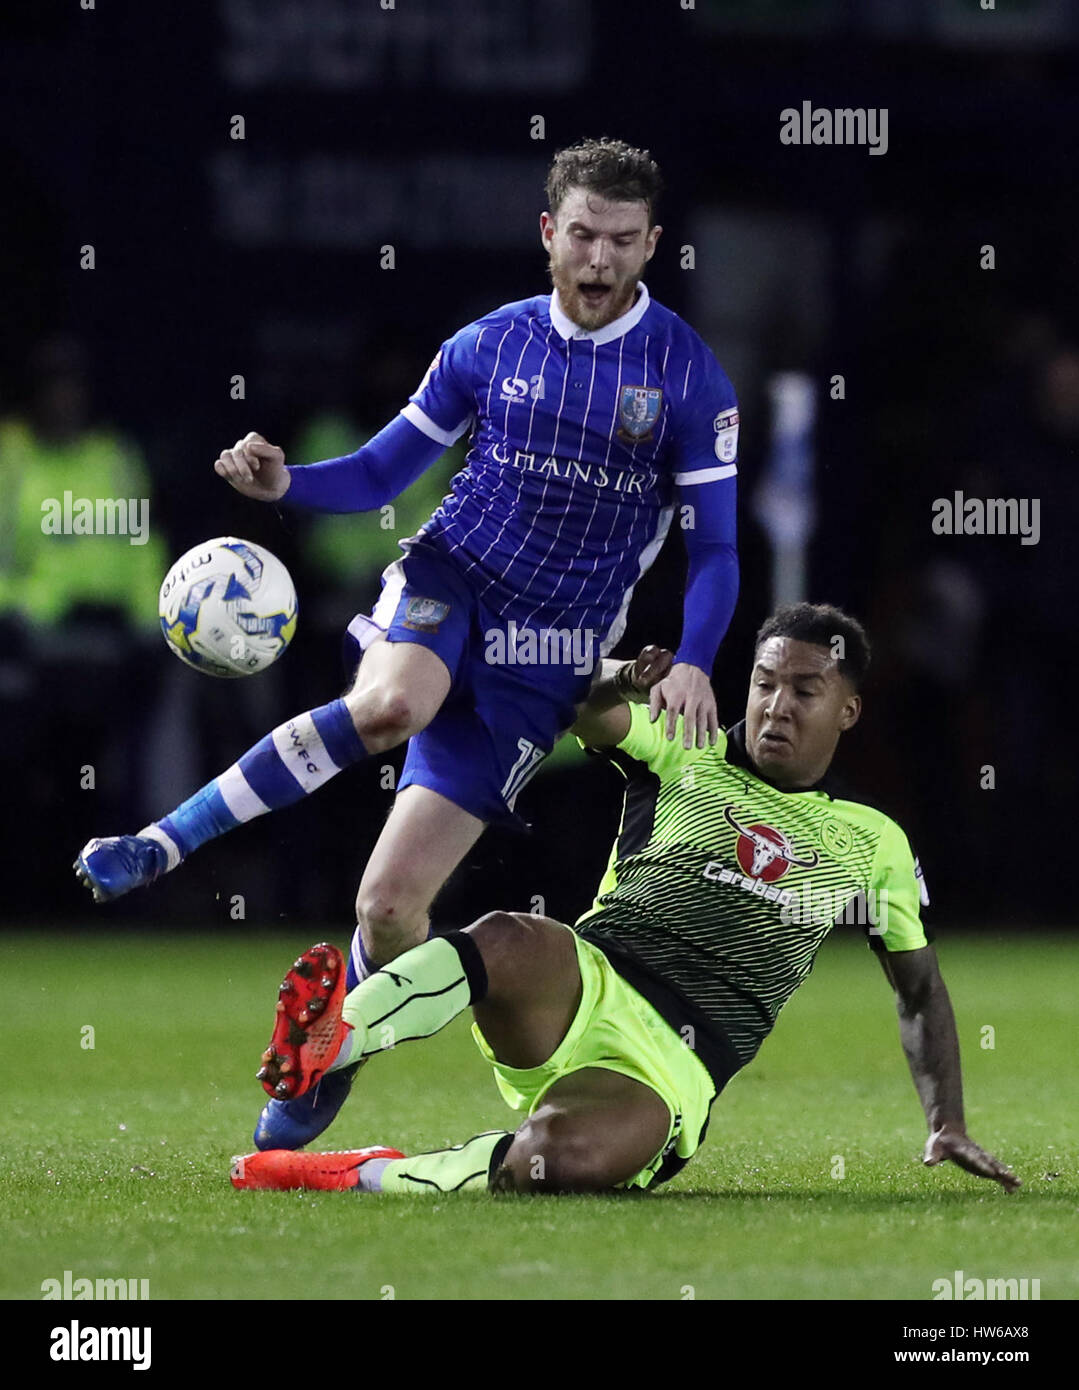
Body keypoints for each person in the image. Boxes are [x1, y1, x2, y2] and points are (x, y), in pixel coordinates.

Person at [75, 137, 741, 1146]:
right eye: (580, 235)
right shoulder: (487, 346)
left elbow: (720, 548)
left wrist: (692, 655)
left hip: (544, 656)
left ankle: (327, 1057)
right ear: (546, 232)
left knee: (389, 912)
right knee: (390, 706)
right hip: (451, 579)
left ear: (650, 243)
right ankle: (163, 842)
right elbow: (385, 472)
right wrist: (285, 484)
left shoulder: (688, 378)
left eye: (620, 240)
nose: (597, 260)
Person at [231, 604, 1019, 1197]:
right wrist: (621, 675)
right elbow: (575, 703)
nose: (777, 705)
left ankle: (355, 1172)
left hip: (670, 1065)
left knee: (555, 1162)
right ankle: (335, 1041)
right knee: (509, 934)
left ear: (847, 710)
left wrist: (945, 1121)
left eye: (805, 691)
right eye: (764, 683)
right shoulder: (685, 744)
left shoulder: (871, 841)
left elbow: (918, 990)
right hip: (583, 981)